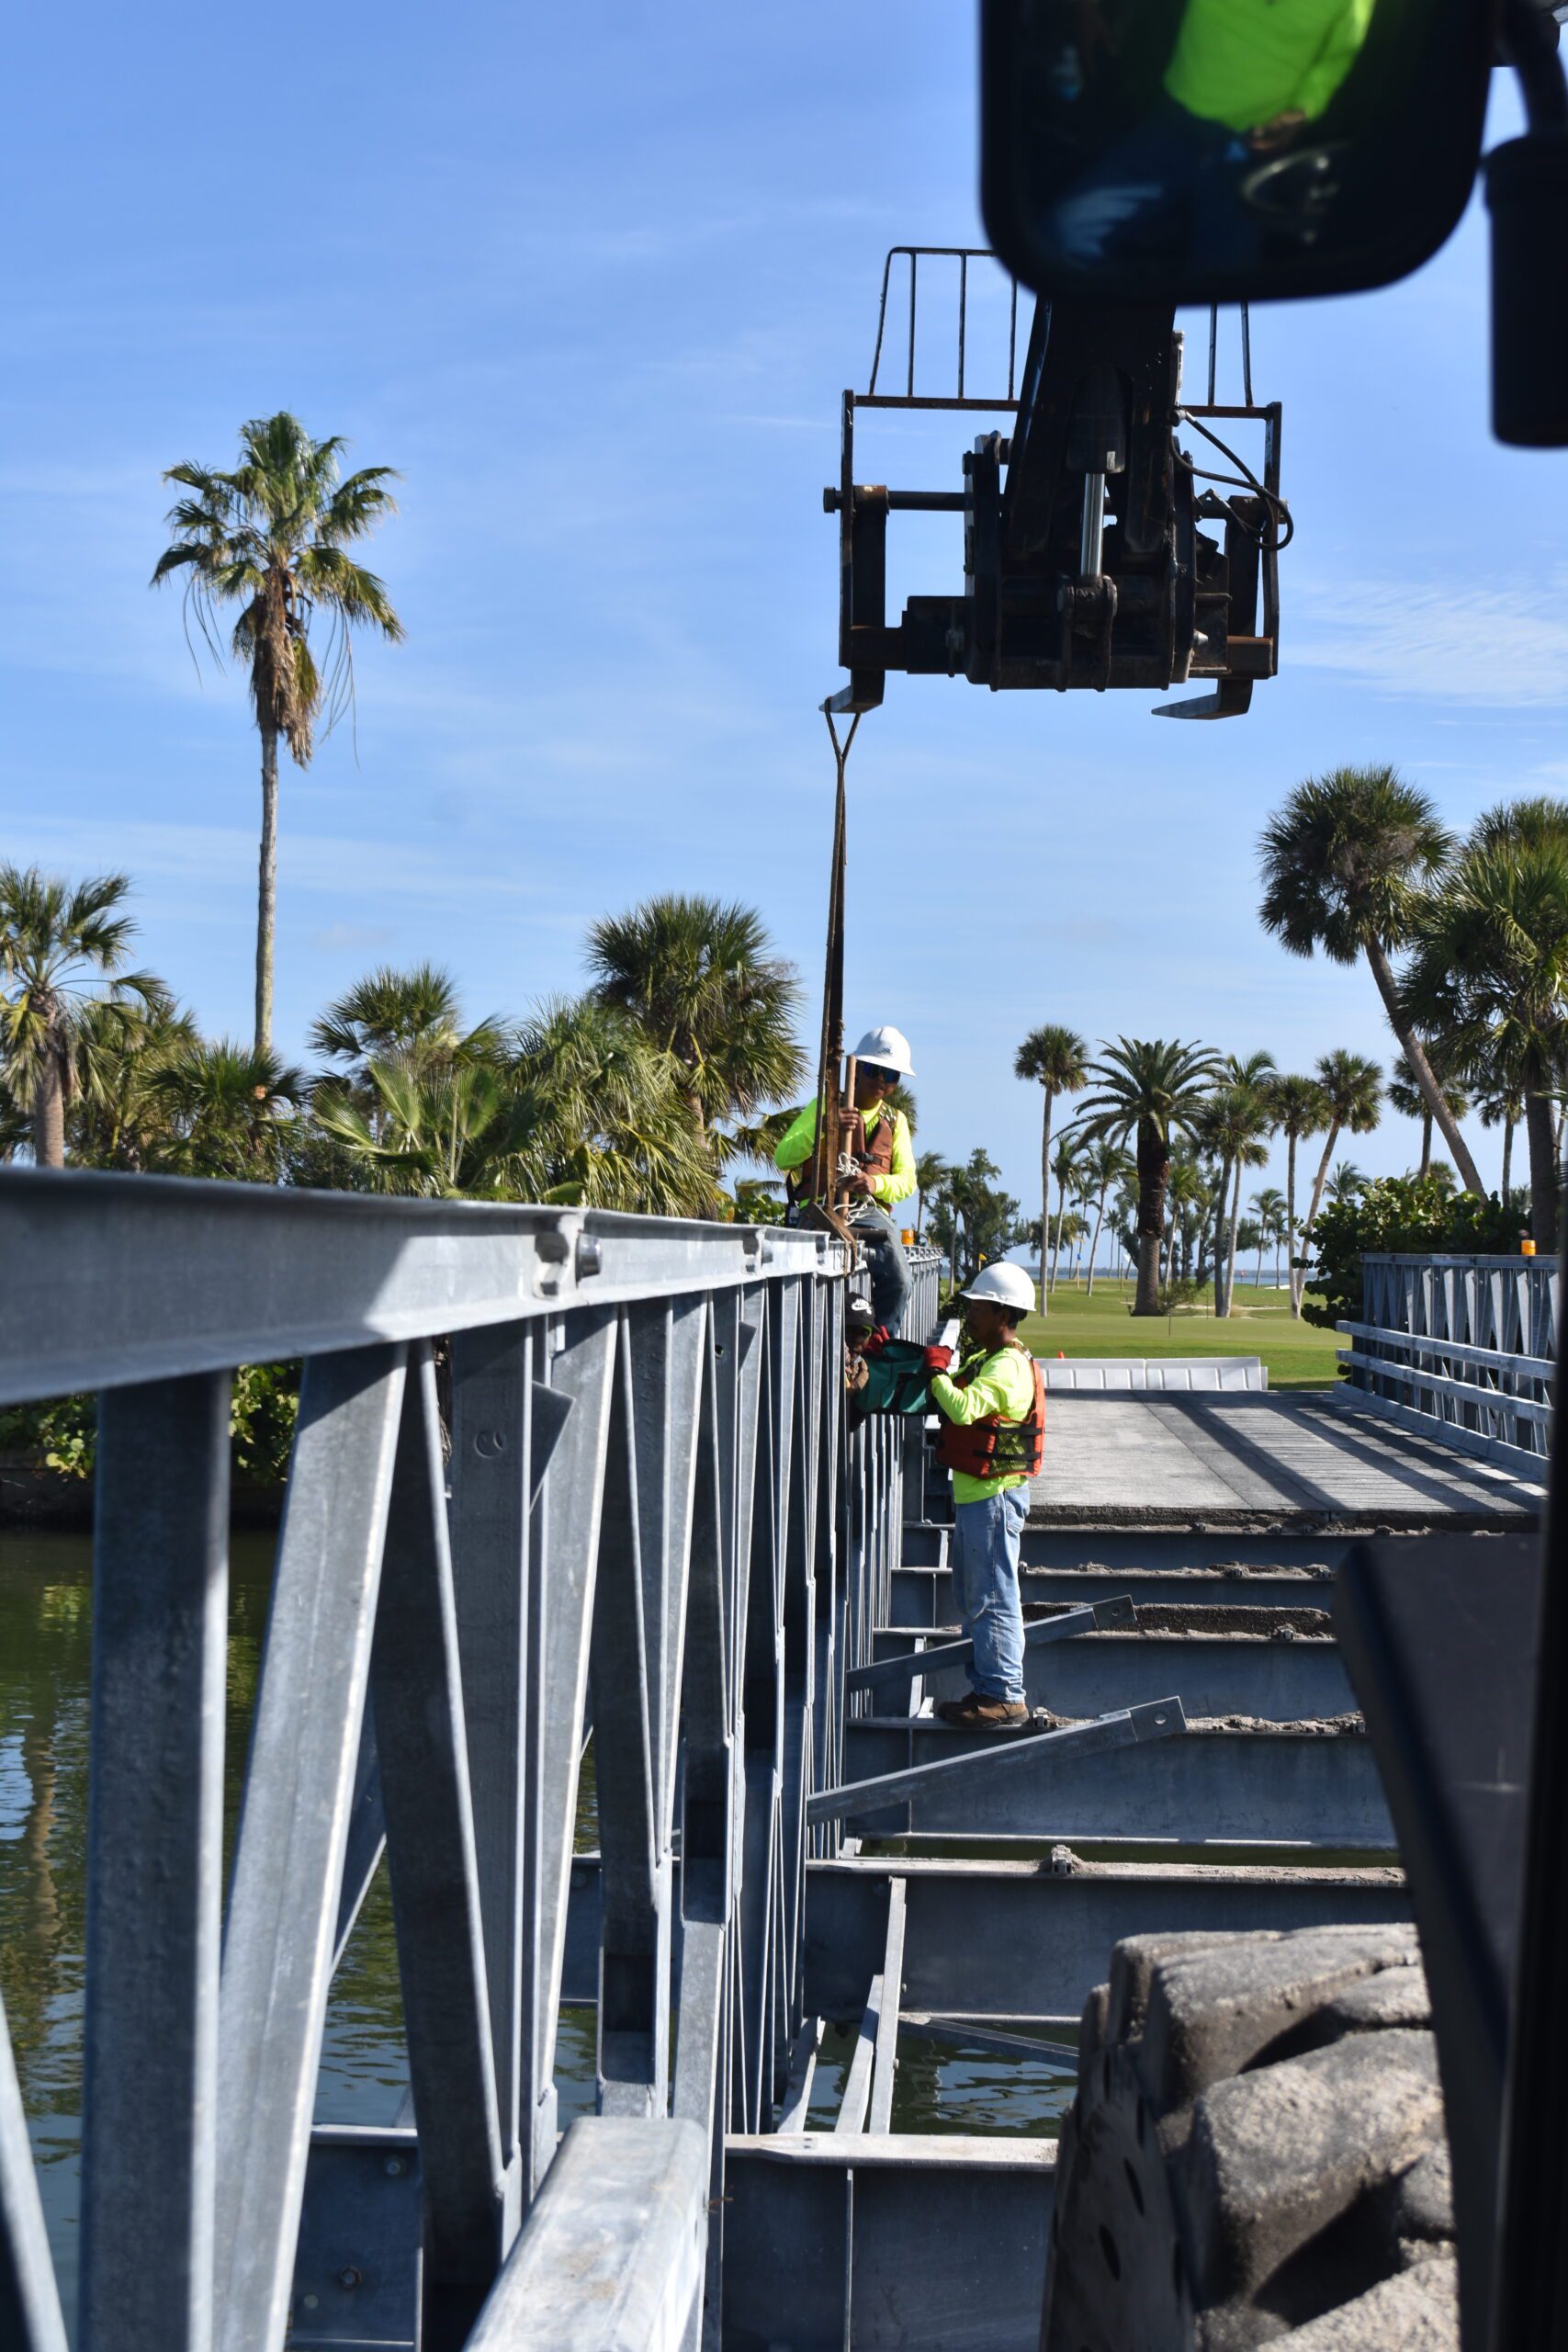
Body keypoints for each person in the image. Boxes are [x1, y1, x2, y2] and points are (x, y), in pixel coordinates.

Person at [929, 1261, 1046, 1730]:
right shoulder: (992, 1358)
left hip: (994, 1501)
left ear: (1002, 1313)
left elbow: (962, 1408)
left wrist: (936, 1372)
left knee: (994, 1595)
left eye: (977, 1306)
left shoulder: (1007, 1367)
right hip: (983, 1497)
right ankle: (988, 1687)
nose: (969, 1313)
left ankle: (1003, 1694)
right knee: (976, 1593)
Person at [773, 1025, 918, 1334]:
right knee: (806, 1277)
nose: (880, 1080)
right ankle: (803, 1341)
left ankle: (879, 1347)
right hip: (818, 1207)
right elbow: (783, 1156)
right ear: (858, 1069)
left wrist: (874, 1184)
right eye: (874, 1069)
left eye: (890, 1075)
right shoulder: (825, 1106)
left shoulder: (897, 1121)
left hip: (868, 1213)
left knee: (900, 1279)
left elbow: (906, 1181)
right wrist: (826, 1125)